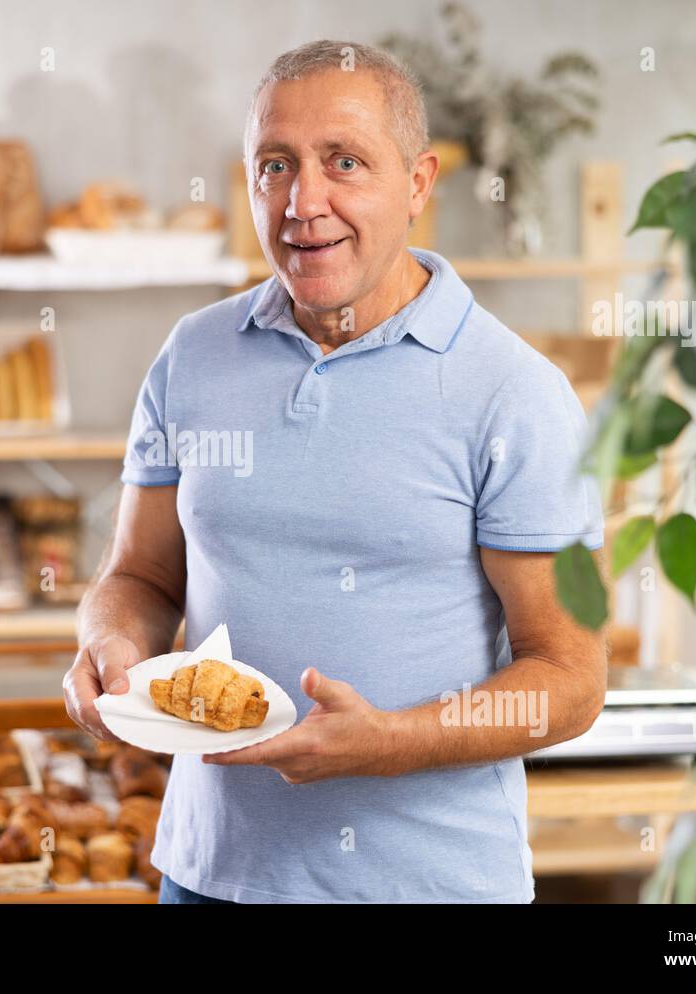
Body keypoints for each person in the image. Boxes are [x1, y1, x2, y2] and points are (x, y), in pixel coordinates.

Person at [63, 38, 607, 904]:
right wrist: (112, 643)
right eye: (273, 166)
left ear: (419, 183)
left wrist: (391, 740)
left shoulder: (513, 392)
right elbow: (138, 574)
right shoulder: (192, 357)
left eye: (343, 162)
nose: (301, 202)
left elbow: (571, 679)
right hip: (208, 878)